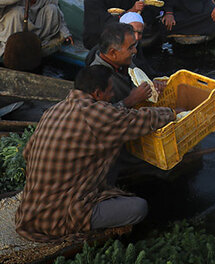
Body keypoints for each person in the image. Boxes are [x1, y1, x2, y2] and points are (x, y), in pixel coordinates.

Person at [15, 65, 174, 242]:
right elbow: (141, 119)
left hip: (32, 206)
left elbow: (27, 153)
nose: (112, 95)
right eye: (110, 91)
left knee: (108, 159)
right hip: (59, 215)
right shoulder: (95, 113)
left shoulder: (54, 110)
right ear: (97, 94)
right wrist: (174, 113)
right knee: (139, 207)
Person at [88, 23, 164, 107]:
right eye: (130, 47)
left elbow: (137, 81)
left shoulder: (123, 61)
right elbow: (101, 116)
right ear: (113, 52)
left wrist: (151, 86)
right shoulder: (98, 79)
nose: (135, 51)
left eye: (134, 45)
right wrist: (130, 100)